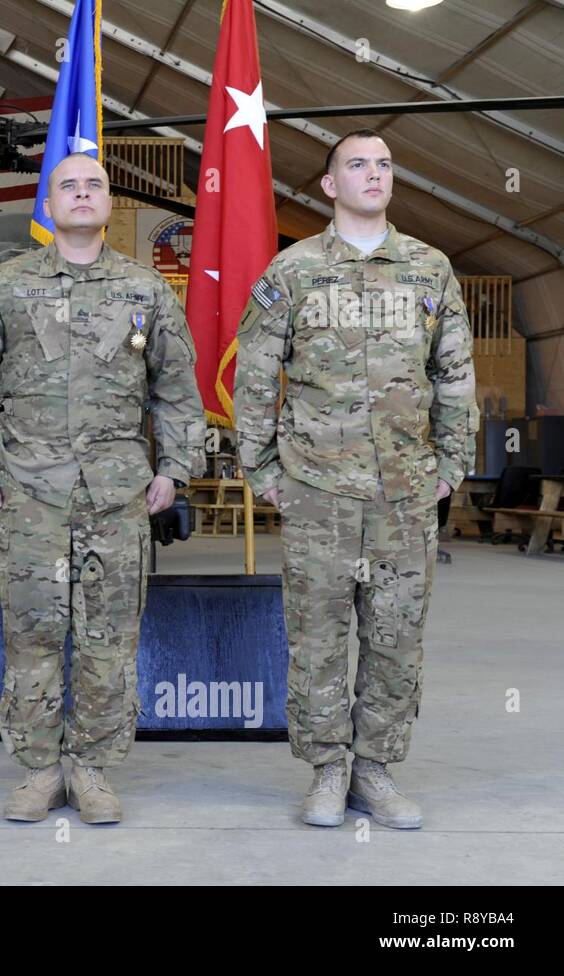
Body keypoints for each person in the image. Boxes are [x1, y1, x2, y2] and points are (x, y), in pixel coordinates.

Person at [0, 152, 206, 824]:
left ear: (108, 204)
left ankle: (91, 767)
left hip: (116, 498)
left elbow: (178, 392)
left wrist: (176, 469)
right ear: (48, 205)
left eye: (94, 185)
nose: (82, 195)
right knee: (32, 632)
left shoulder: (147, 292)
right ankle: (36, 769)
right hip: (28, 495)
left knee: (108, 636)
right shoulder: (4, 288)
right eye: (68, 186)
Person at [234, 129, 477, 829]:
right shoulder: (294, 272)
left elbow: (455, 377)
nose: (374, 174)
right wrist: (264, 471)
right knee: (316, 636)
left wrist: (452, 466)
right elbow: (255, 376)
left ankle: (375, 768)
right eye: (357, 165)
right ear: (330, 186)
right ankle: (326, 768)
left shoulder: (430, 270)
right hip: (319, 491)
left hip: (404, 494)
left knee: (396, 636)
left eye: (384, 164)